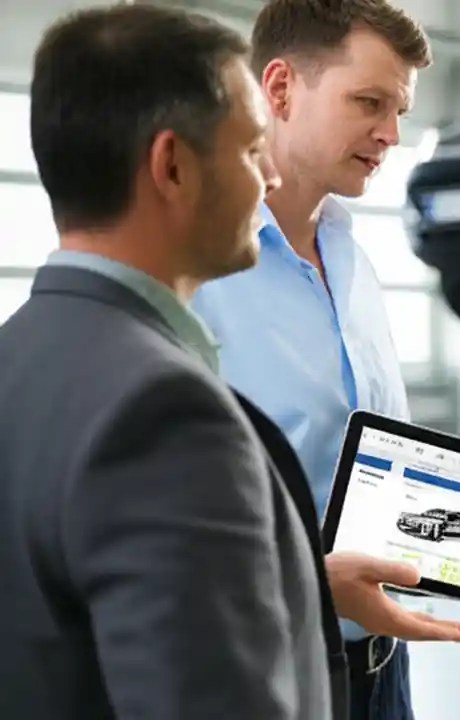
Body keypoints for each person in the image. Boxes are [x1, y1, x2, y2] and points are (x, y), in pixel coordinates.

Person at [0, 5, 347, 717]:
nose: (270, 179)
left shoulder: (17, 357)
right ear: (173, 167)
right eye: (252, 150)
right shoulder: (162, 413)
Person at [189, 2, 460, 718]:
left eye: (399, 110)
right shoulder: (195, 272)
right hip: (263, 674)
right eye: (369, 102)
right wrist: (310, 580)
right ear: (281, 88)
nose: (391, 133)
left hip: (381, 669)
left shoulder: (352, 262)